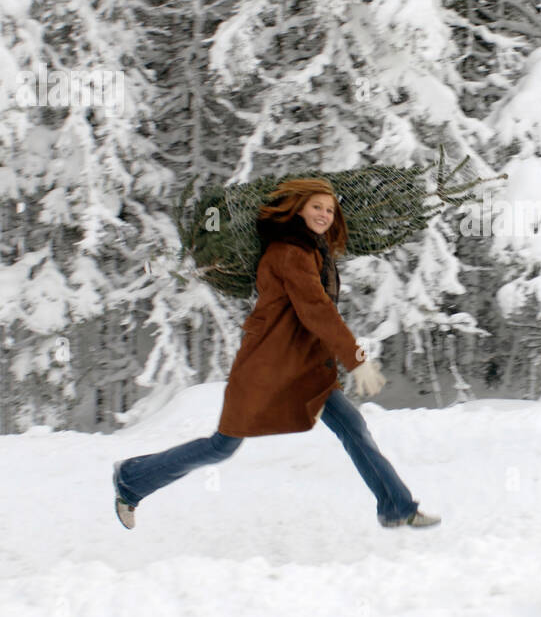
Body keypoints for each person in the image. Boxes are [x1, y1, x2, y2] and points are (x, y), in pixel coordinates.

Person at [111, 177, 439, 530]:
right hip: (268, 365)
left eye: (330, 209)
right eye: (316, 206)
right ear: (297, 208)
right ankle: (132, 478)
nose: (324, 214)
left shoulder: (312, 249)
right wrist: (355, 358)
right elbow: (316, 309)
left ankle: (396, 506)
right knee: (222, 446)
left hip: (303, 366)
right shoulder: (289, 252)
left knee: (353, 427)